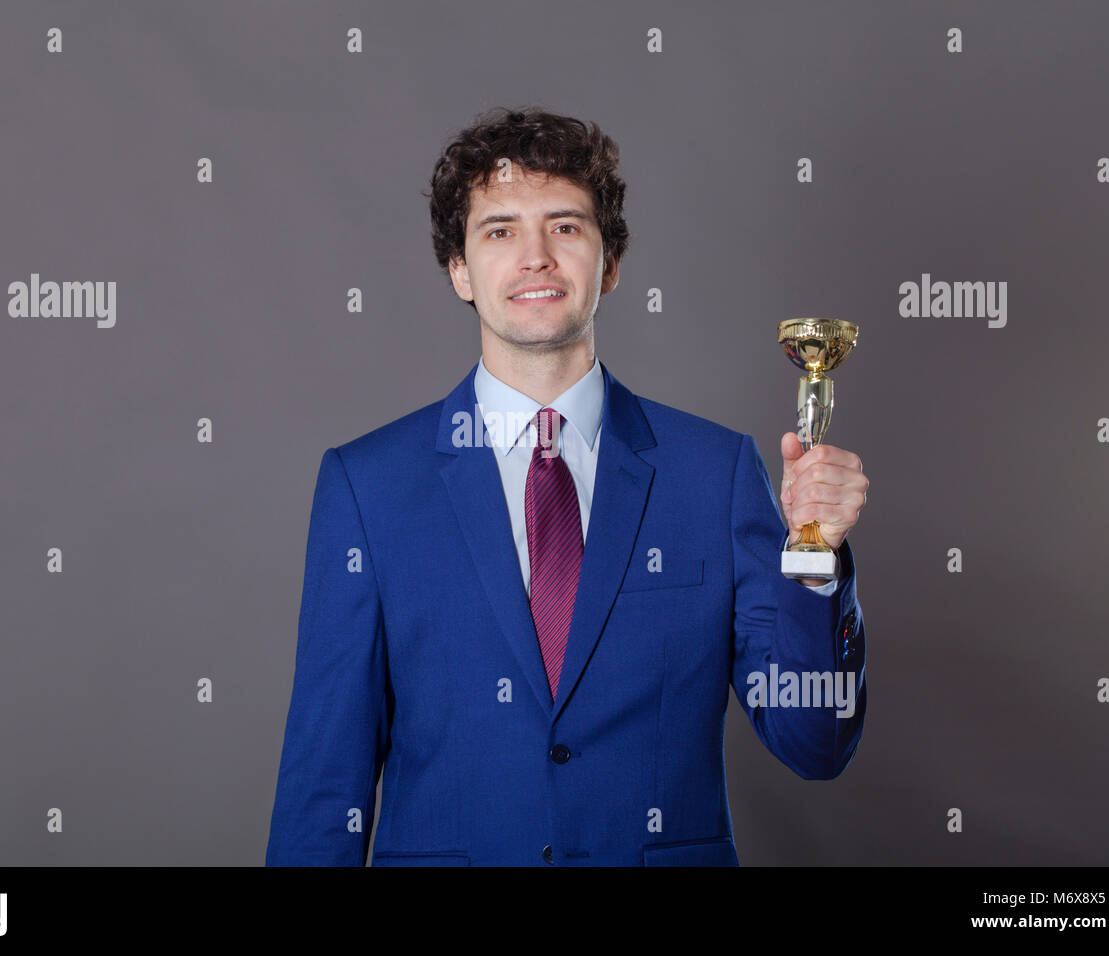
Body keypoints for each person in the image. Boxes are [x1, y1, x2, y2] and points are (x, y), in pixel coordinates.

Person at [266, 107, 869, 866]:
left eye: (566, 227)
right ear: (459, 270)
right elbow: (325, 784)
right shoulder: (368, 485)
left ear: (609, 263)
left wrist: (818, 566)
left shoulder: (713, 473)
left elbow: (815, 744)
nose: (535, 258)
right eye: (499, 231)